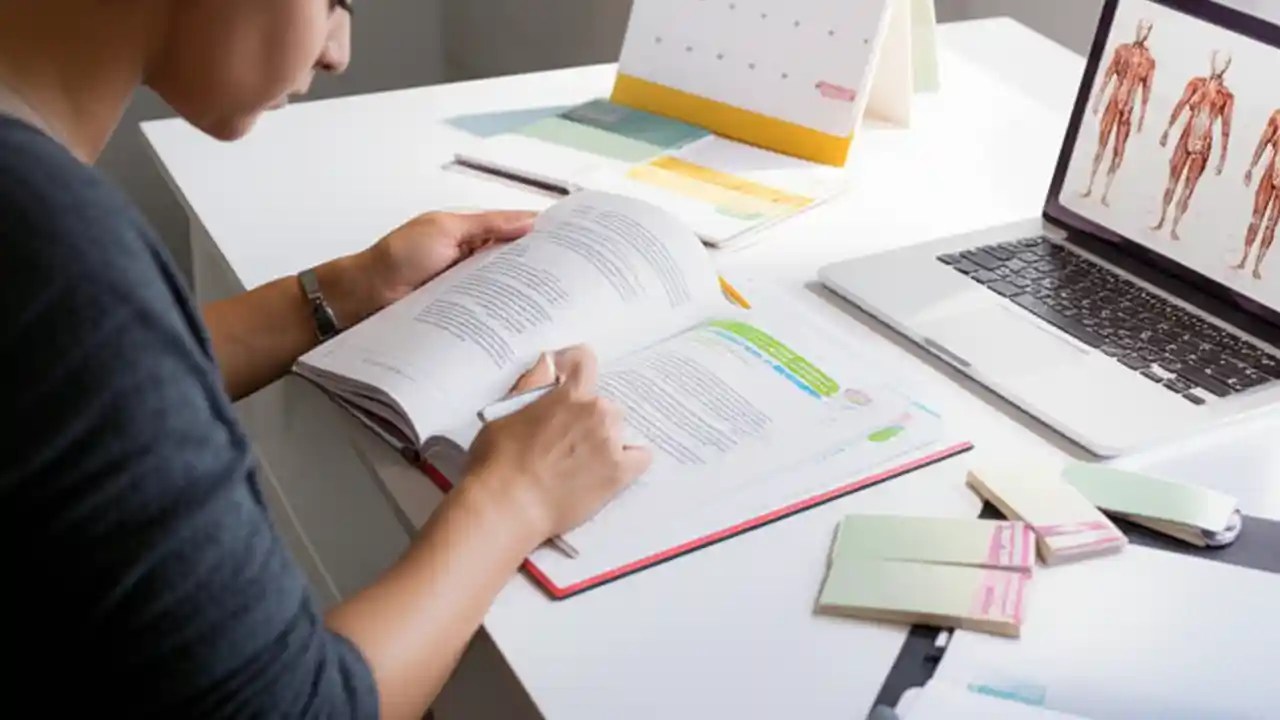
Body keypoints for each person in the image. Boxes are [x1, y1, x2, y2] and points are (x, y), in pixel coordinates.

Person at [0, 1, 651, 717]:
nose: (338, 49)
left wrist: (342, 290)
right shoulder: (55, 251)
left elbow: (73, 394)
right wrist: (516, 497)